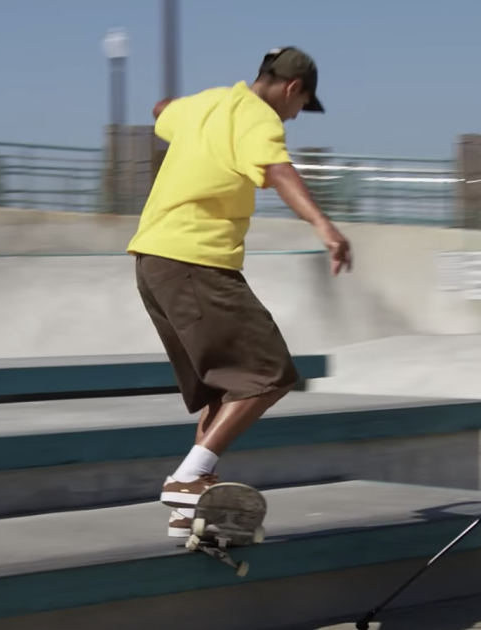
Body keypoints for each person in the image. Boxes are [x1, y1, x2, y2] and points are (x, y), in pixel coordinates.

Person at [127, 47, 352, 538]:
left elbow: (161, 110)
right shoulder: (259, 120)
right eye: (301, 106)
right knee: (269, 374)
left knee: (223, 392)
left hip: (152, 264)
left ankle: (190, 513)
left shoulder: (206, 104)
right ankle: (188, 479)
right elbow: (278, 171)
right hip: (196, 262)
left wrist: (180, 110)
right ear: (293, 89)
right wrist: (324, 226)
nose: (295, 117)